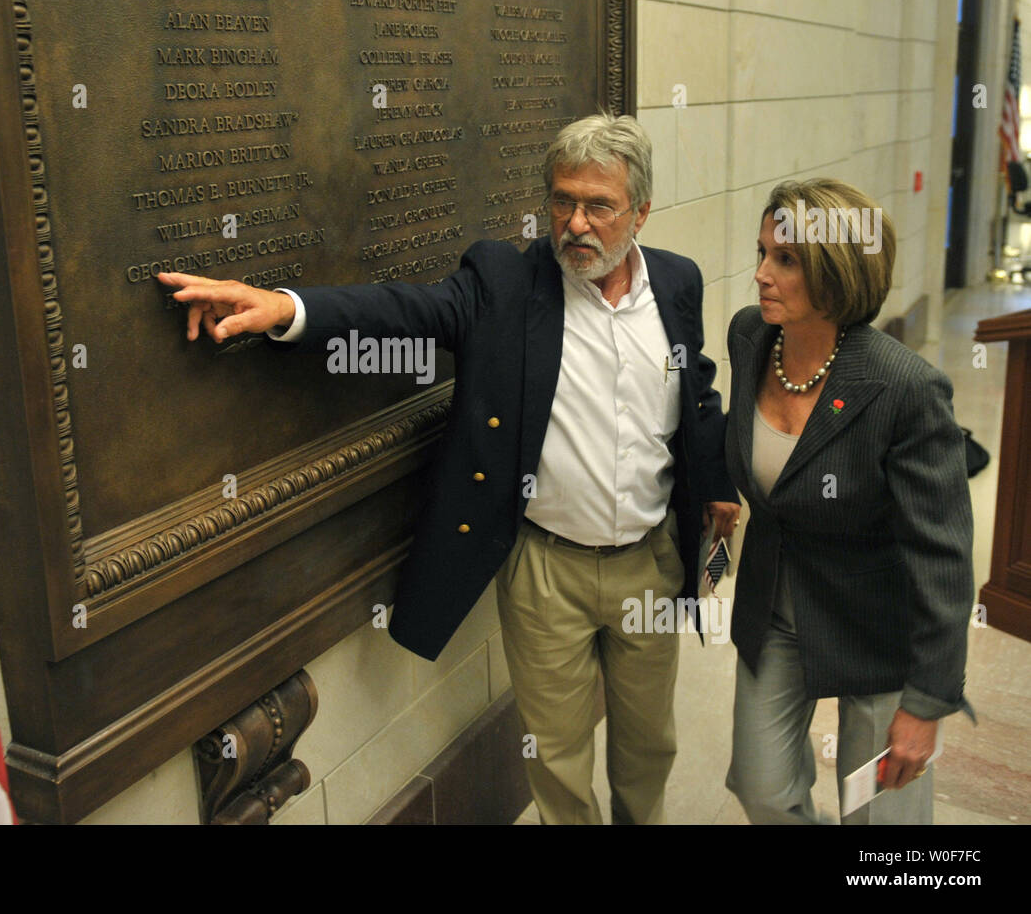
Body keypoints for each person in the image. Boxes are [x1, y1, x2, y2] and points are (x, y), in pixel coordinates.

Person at [158, 113, 739, 824]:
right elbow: (403, 310)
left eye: (598, 205)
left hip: (649, 562)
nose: (575, 223)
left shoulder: (677, 283)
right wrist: (284, 308)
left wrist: (718, 487)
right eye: (561, 200)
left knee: (648, 746)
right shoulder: (503, 283)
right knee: (556, 759)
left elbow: (697, 390)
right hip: (546, 571)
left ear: (640, 212)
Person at [724, 178, 974, 825]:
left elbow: (943, 559)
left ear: (836, 276)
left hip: (879, 627)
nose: (760, 275)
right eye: (761, 253)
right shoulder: (750, 338)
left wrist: (925, 703)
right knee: (761, 789)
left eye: (785, 260)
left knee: (880, 822)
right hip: (776, 608)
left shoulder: (904, 387)